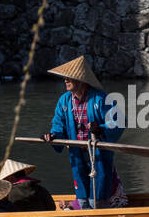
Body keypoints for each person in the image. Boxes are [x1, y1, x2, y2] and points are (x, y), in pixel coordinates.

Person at [41, 56, 127, 209]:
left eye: (69, 78)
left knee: (99, 193)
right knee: (81, 192)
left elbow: (119, 121)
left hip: (98, 153)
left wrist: (100, 128)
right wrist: (54, 136)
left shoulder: (99, 98)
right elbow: (58, 125)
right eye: (64, 78)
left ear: (80, 79)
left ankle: (99, 215)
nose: (65, 80)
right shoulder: (64, 101)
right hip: (77, 153)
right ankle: (83, 213)